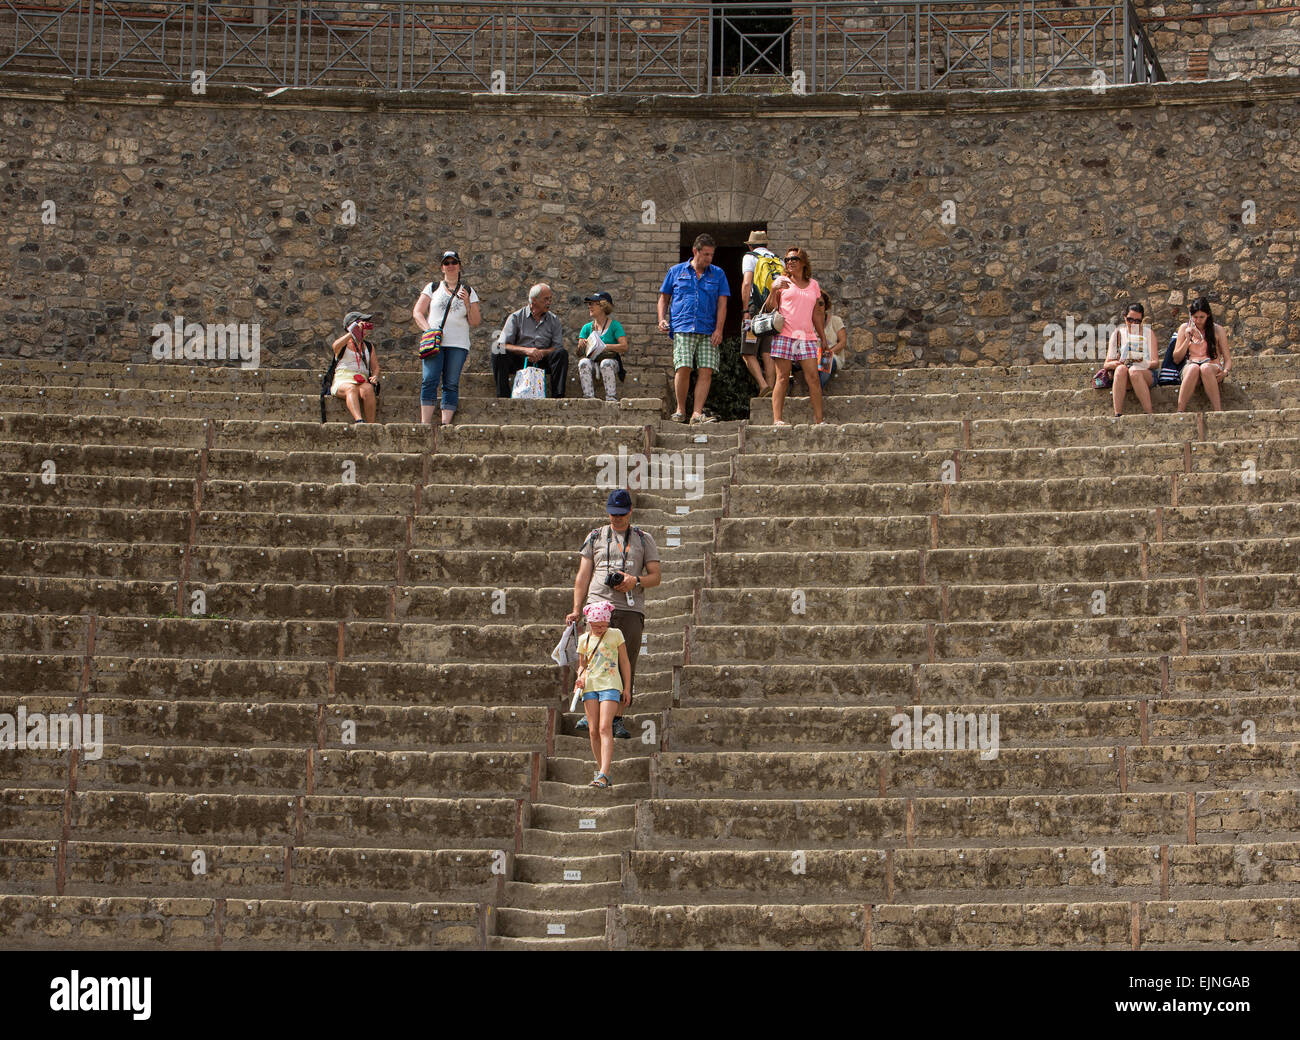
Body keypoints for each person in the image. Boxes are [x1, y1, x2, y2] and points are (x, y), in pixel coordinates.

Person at [568, 489, 661, 742]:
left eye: (621, 514)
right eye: (612, 514)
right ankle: (591, 712)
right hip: (599, 604)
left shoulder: (643, 538)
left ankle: (617, 717)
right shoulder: (596, 536)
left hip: (630, 608)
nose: (616, 519)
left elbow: (656, 576)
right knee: (591, 658)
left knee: (625, 661)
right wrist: (577, 609)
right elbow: (583, 575)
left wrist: (635, 580)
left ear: (630, 511)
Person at [658, 233, 729, 423]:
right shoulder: (675, 271)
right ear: (695, 251)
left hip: (708, 329)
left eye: (711, 255)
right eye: (706, 254)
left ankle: (697, 413)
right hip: (682, 326)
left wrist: (719, 329)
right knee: (683, 367)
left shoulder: (718, 274)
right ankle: (680, 410)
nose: (709, 258)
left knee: (706, 370)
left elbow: (722, 304)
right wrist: (661, 319)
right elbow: (664, 298)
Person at [412, 250, 481, 425]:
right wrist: (428, 330)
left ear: (459, 266)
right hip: (435, 342)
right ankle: (425, 423)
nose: (450, 266)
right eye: (447, 263)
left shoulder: (468, 291)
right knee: (430, 379)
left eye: (454, 262)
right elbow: (418, 312)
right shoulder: (432, 287)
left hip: (458, 343)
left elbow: (475, 321)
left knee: (451, 382)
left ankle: (445, 423)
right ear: (442, 267)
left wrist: (466, 303)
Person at [573, 600, 631, 789]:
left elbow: (625, 662)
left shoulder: (616, 634)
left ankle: (604, 773)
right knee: (593, 730)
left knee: (605, 727)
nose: (600, 629)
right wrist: (579, 679)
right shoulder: (584, 639)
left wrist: (627, 687)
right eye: (597, 626)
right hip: (590, 686)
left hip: (611, 684)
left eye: (604, 625)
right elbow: (582, 665)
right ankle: (603, 772)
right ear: (589, 623)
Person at [768, 247, 827, 426]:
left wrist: (823, 337)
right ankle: (777, 419)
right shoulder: (782, 282)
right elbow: (771, 308)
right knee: (782, 377)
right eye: (787, 260)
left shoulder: (814, 285)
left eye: (794, 259)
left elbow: (817, 313)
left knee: (813, 378)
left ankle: (819, 420)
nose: (790, 262)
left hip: (807, 337)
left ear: (803, 262)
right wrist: (773, 289)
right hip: (784, 334)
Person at [492, 283, 568, 398]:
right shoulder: (516, 317)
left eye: (550, 299)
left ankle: (558, 396)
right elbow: (502, 345)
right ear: (534, 300)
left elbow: (557, 346)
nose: (549, 302)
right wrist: (526, 351)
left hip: (542, 361)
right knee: (498, 351)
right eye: (546, 299)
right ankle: (503, 396)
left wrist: (541, 352)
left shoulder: (554, 320)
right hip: (521, 360)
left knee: (561, 353)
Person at [740, 230, 780, 398]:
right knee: (767, 352)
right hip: (774, 310)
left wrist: (745, 310)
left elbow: (747, 283)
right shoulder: (778, 260)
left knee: (747, 352)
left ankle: (763, 386)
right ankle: (771, 389)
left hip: (755, 309)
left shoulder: (750, 257)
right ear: (766, 244)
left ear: (750, 245)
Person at [1174, 296, 1232, 412]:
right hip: (1191, 366)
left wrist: (1225, 372)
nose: (1198, 320)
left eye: (1202, 317)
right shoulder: (1184, 328)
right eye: (1195, 317)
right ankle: (1180, 410)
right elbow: (1176, 358)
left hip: (1211, 367)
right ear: (1191, 316)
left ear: (1208, 315)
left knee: (1205, 368)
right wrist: (1187, 339)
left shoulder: (1218, 330)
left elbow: (1227, 358)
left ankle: (1217, 410)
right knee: (1193, 368)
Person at [1103, 301, 1158, 416]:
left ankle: (1149, 413)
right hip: (1124, 373)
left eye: (1137, 321)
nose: (1133, 323)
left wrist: (1142, 363)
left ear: (1142, 321)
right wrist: (1118, 363)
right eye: (1130, 320)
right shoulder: (1117, 334)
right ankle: (1117, 413)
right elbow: (1107, 364)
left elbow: (1155, 362)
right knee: (1120, 370)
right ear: (1124, 318)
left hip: (1145, 373)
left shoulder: (1148, 333)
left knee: (1134, 370)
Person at [575, 291, 628, 402]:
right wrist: (581, 345)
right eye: (589, 304)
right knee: (583, 362)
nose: (589, 306)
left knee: (606, 363)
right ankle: (589, 398)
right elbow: (579, 353)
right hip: (593, 361)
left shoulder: (615, 325)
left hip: (610, 361)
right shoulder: (587, 327)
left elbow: (624, 347)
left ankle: (611, 398)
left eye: (593, 304)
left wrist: (606, 347)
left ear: (603, 306)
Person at [328, 311, 379, 423]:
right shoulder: (344, 345)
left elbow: (375, 367)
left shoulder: (369, 346)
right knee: (350, 388)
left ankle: (371, 424)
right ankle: (359, 420)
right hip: (343, 381)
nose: (364, 329)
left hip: (362, 380)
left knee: (368, 389)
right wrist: (353, 332)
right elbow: (335, 346)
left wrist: (375, 376)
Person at [815, 291, 846, 390]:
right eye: (814, 304)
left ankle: (818, 391)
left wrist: (829, 352)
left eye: (821, 303)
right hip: (814, 358)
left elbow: (843, 341)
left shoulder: (835, 320)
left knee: (826, 359)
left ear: (826, 305)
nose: (818, 307)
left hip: (833, 356)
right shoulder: (808, 323)